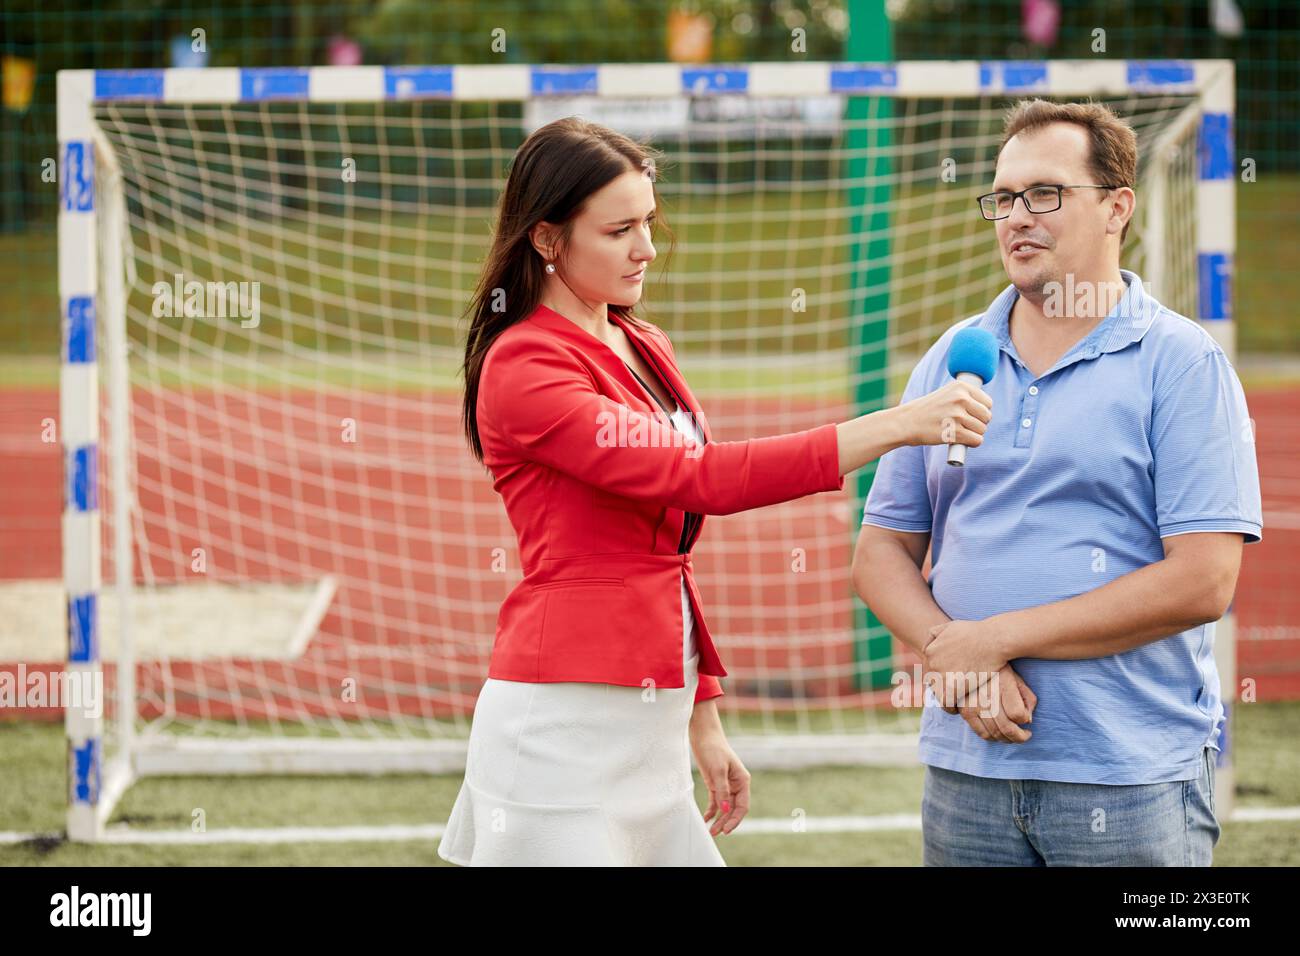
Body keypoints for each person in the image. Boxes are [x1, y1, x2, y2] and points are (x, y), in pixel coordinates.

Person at [439, 116, 991, 866]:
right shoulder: (524, 367)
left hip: (653, 711)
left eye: (649, 223)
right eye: (619, 230)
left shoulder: (641, 342)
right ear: (545, 239)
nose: (647, 249)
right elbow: (701, 479)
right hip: (562, 722)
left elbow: (669, 547)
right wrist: (898, 424)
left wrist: (701, 715)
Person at [854, 99, 1263, 866]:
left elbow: (1203, 581)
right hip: (966, 768)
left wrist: (994, 641)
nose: (1016, 216)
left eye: (1045, 193)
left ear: (1117, 208)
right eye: (1004, 198)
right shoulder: (952, 356)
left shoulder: (1181, 363)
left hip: (1129, 778)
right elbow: (879, 551)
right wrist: (959, 657)